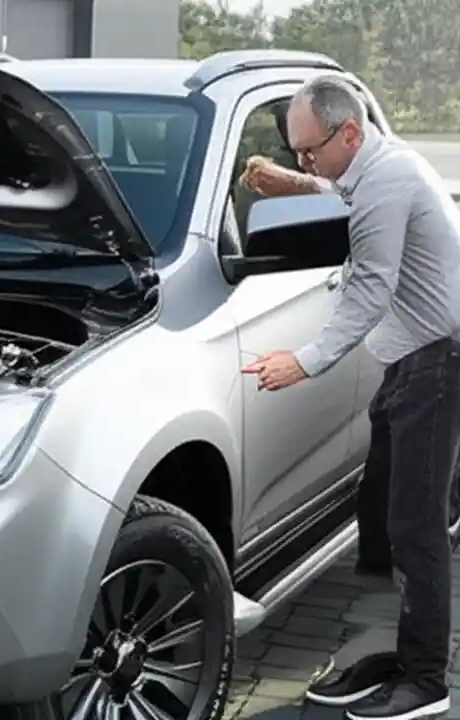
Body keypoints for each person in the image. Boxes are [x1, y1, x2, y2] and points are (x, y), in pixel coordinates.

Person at [240, 75, 460, 720]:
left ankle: (427, 681)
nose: (305, 161)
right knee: (385, 519)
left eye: (309, 152)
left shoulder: (384, 184)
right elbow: (344, 184)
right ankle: (398, 653)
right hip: (411, 358)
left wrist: (303, 362)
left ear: (350, 133)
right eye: (298, 152)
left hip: (437, 363)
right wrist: (296, 183)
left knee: (416, 529)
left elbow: (368, 287)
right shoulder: (376, 163)